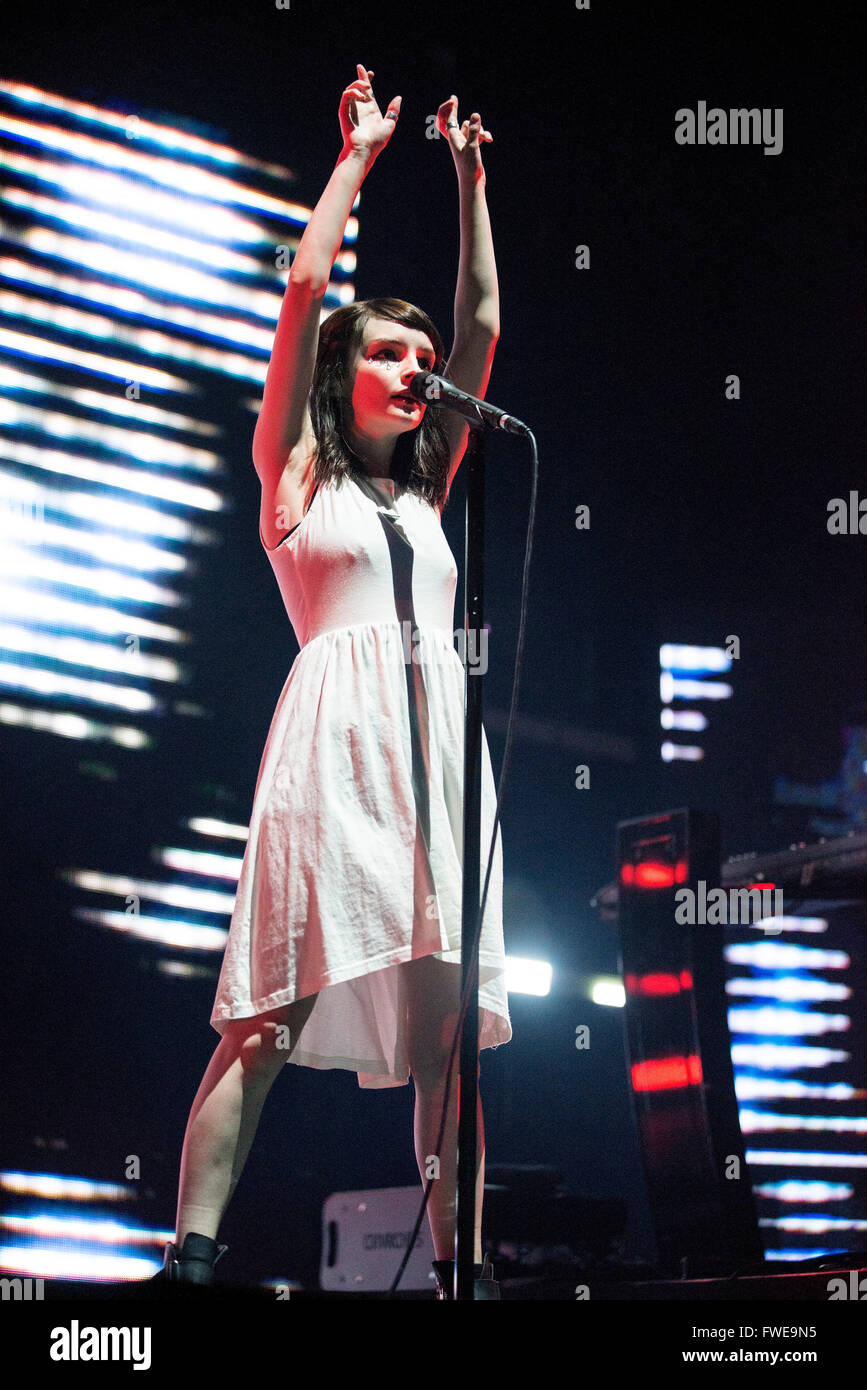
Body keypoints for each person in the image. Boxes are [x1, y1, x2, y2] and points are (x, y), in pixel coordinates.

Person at [154, 64, 511, 1301]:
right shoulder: (297, 473)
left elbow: (482, 326)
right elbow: (307, 292)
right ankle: (190, 1264)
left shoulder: (428, 487)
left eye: (423, 356)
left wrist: (468, 180)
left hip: (436, 754)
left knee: (454, 1045)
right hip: (333, 746)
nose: (420, 364)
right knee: (264, 1020)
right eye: (393, 351)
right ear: (345, 374)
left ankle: (467, 1274)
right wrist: (358, 159)